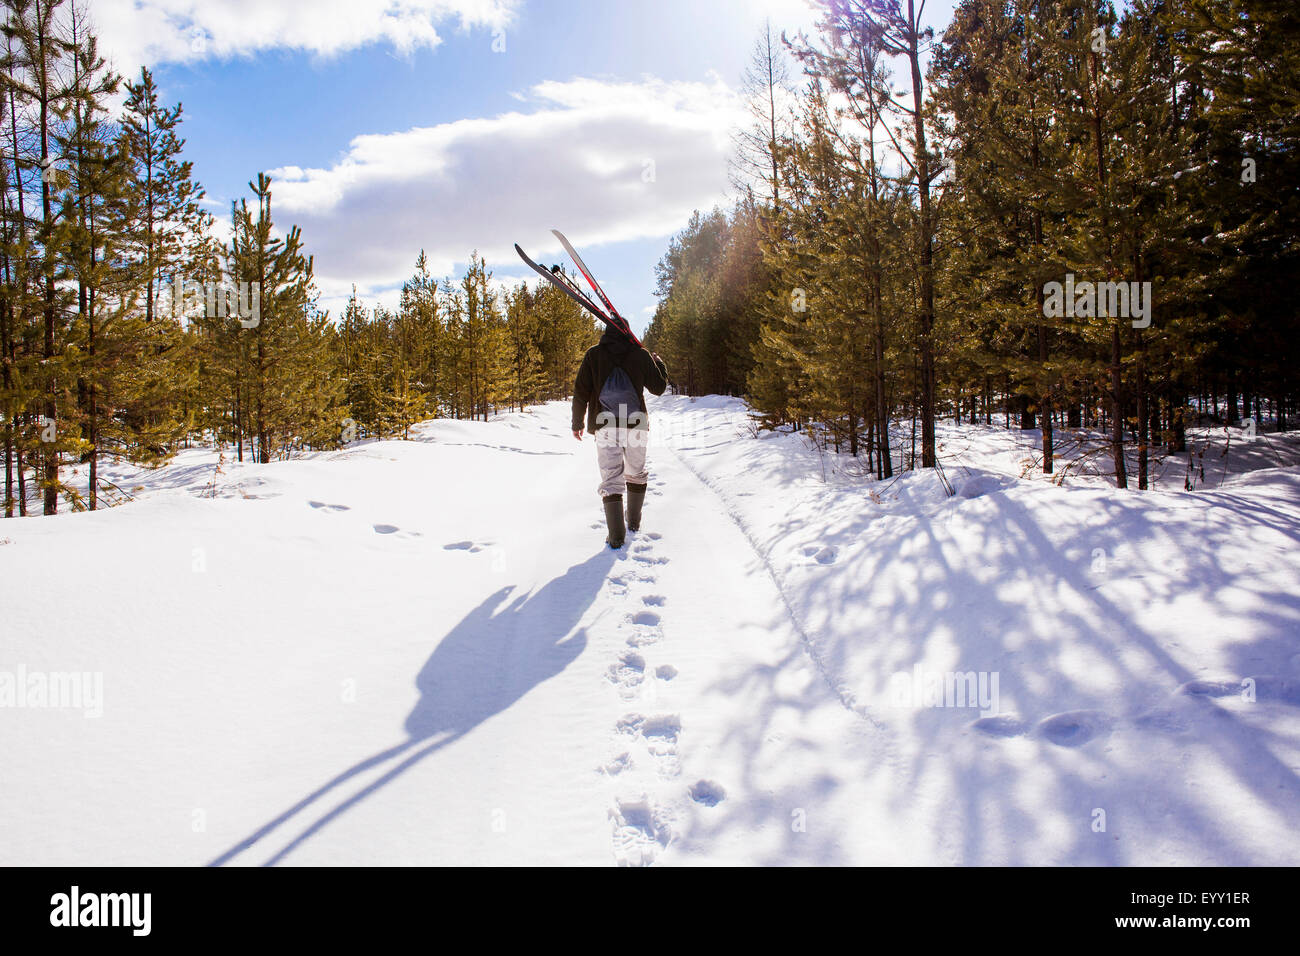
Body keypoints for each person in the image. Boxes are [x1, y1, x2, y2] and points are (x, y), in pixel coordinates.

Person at [572, 325, 669, 548]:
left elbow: (581, 391)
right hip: (636, 423)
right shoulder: (639, 354)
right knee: (636, 471)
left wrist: (577, 422)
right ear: (628, 332)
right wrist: (659, 364)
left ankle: (616, 536)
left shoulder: (594, 354)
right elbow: (658, 387)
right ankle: (633, 522)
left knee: (611, 477)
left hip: (606, 425)